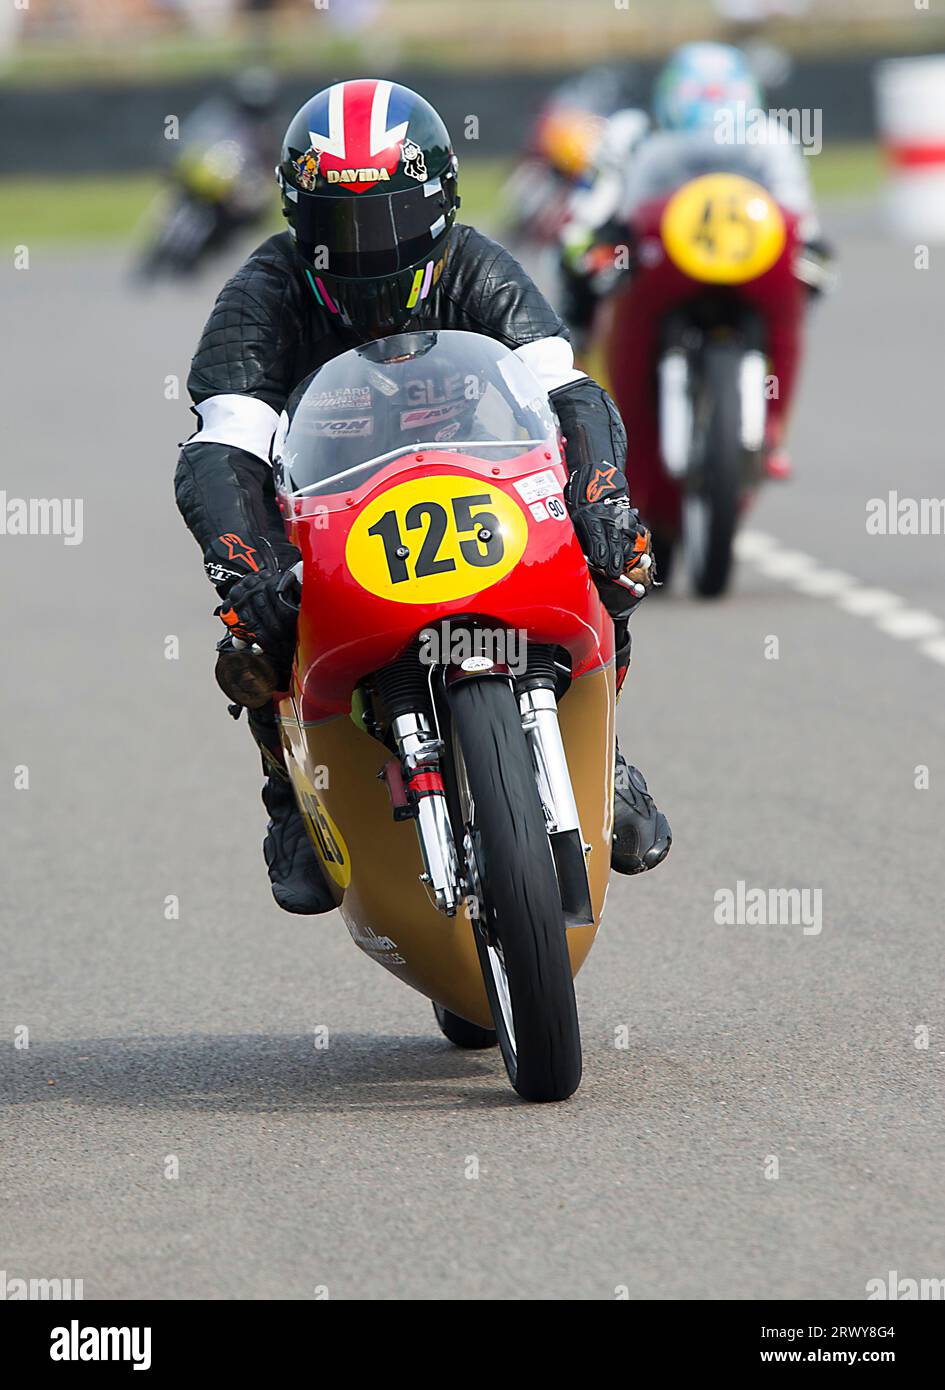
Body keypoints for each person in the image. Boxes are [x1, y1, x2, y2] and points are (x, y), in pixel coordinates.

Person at [175, 78, 671, 915]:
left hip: (475, 482)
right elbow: (220, 445)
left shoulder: (478, 265)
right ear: (301, 221)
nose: (371, 245)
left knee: (612, 564)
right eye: (343, 223)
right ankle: (289, 796)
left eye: (393, 217)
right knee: (253, 637)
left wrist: (600, 500)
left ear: (439, 205)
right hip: (329, 510)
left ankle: (602, 750)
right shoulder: (263, 294)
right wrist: (247, 569)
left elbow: (567, 389)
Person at [559, 42, 832, 479]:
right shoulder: (630, 132)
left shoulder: (769, 137)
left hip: (745, 260)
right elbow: (588, 209)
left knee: (806, 288)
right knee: (576, 272)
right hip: (654, 260)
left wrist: (812, 248)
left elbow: (799, 212)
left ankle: (771, 426)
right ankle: (577, 375)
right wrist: (593, 238)